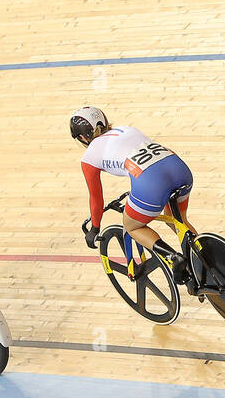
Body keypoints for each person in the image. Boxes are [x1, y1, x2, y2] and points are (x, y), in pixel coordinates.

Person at [72, 107, 195, 282]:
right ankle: (206, 262)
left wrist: (95, 228)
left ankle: (174, 257)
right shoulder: (126, 129)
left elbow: (96, 199)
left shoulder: (89, 157)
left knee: (132, 226)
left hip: (151, 183)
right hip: (178, 168)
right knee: (178, 220)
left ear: (82, 137)